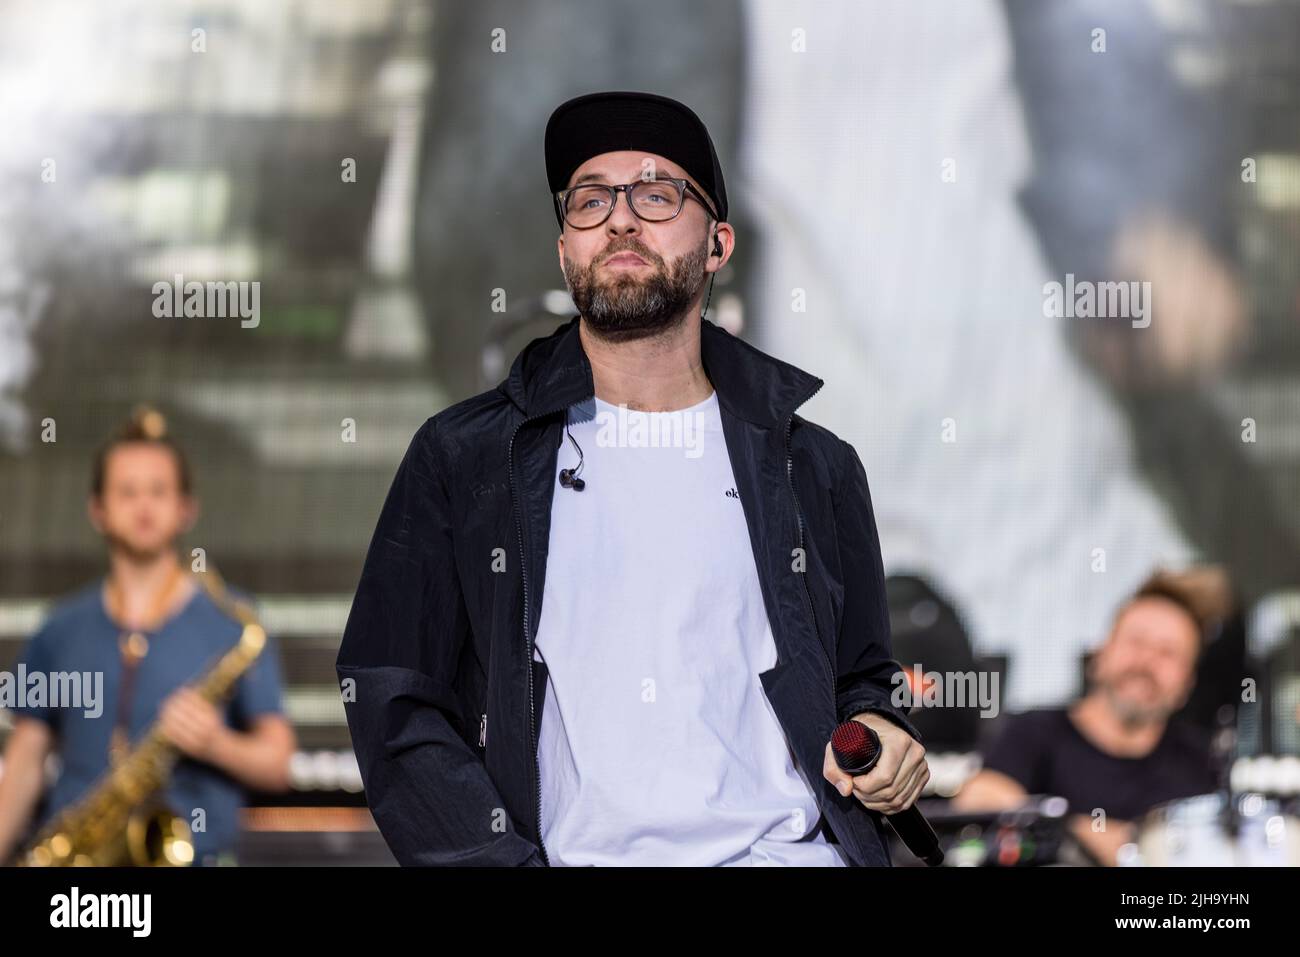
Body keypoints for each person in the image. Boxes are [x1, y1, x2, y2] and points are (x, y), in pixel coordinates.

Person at [337, 91, 928, 867]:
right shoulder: (465, 458)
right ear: (563, 251)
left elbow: (861, 679)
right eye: (589, 200)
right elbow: (394, 699)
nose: (619, 218)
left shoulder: (813, 464)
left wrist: (884, 733)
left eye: (655, 194)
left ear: (717, 244)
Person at [0, 407, 295, 866]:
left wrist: (216, 742)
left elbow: (277, 764)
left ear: (186, 508)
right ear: (97, 509)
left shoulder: (233, 623)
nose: (144, 506)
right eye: (127, 491)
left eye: (159, 491)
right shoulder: (57, 628)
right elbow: (22, 767)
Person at [951, 569, 1221, 865]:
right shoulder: (1034, 731)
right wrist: (1082, 834)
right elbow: (977, 801)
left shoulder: (1200, 761)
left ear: (1187, 684)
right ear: (1100, 655)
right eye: (1137, 642)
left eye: (1168, 653)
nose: (1146, 663)